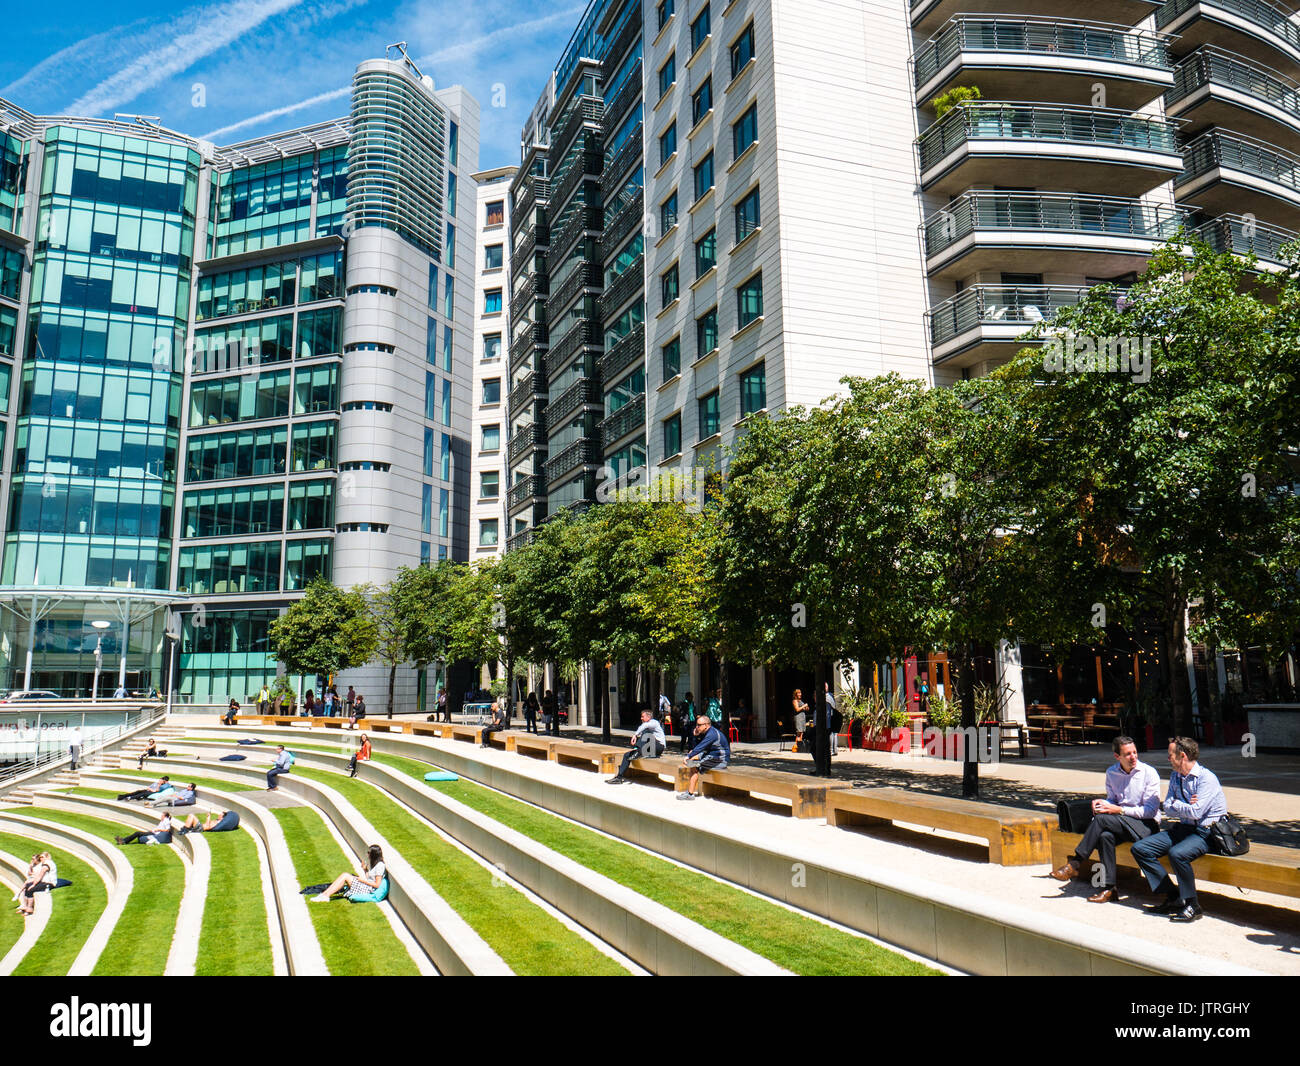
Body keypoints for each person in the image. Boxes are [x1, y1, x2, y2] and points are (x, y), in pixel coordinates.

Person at [1049, 735, 1161, 902]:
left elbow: (1150, 811)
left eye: (1135, 752)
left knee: (1101, 820)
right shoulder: (1112, 773)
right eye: (1128, 754)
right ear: (1117, 756)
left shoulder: (1149, 773)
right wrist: (1103, 803)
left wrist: (1118, 810)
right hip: (1123, 822)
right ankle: (1109, 889)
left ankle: (1075, 863)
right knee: (1104, 836)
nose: (1133, 757)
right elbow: (1113, 800)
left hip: (1146, 825)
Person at [1131, 737, 1227, 922]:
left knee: (1177, 854)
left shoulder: (1207, 779)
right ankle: (1174, 896)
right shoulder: (1176, 776)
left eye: (1170, 755)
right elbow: (1167, 807)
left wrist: (1178, 804)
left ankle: (1193, 905)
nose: (1168, 759)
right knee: (1140, 848)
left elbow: (1196, 812)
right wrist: (1185, 805)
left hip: (1206, 832)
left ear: (1182, 756)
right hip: (1183, 828)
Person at [678, 715, 732, 800]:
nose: (697, 727)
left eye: (699, 725)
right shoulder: (705, 732)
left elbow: (700, 747)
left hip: (719, 759)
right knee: (692, 759)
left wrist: (688, 756)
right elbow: (694, 748)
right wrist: (695, 736)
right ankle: (689, 790)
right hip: (711, 755)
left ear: (706, 725)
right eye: (696, 725)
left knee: (693, 765)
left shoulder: (712, 734)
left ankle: (690, 794)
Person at [607, 709, 667, 784]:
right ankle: (619, 777)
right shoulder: (646, 726)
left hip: (658, 747)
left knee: (646, 732)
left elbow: (644, 726)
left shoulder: (654, 722)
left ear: (648, 717)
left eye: (642, 717)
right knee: (627, 755)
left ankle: (638, 751)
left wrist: (635, 735)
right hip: (649, 748)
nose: (641, 718)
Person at [312, 844, 388, 902]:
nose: (367, 854)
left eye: (369, 853)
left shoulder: (380, 866)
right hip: (366, 886)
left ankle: (325, 896)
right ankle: (325, 895)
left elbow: (377, 884)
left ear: (374, 855)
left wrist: (362, 880)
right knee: (344, 875)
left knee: (345, 875)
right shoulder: (376, 864)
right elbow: (370, 878)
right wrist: (365, 869)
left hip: (369, 889)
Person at [15, 852, 56, 916]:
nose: (41, 858)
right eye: (40, 857)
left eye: (42, 857)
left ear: (47, 857)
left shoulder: (46, 865)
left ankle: (30, 909)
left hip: (49, 883)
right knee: (27, 886)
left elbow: (40, 876)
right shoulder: (45, 864)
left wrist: (33, 885)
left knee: (30, 889)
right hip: (44, 882)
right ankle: (25, 906)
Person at [825, 683, 841, 756]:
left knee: (831, 733)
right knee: (834, 733)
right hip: (833, 716)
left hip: (829, 717)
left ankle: (831, 750)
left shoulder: (827, 697)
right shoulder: (831, 696)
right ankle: (835, 749)